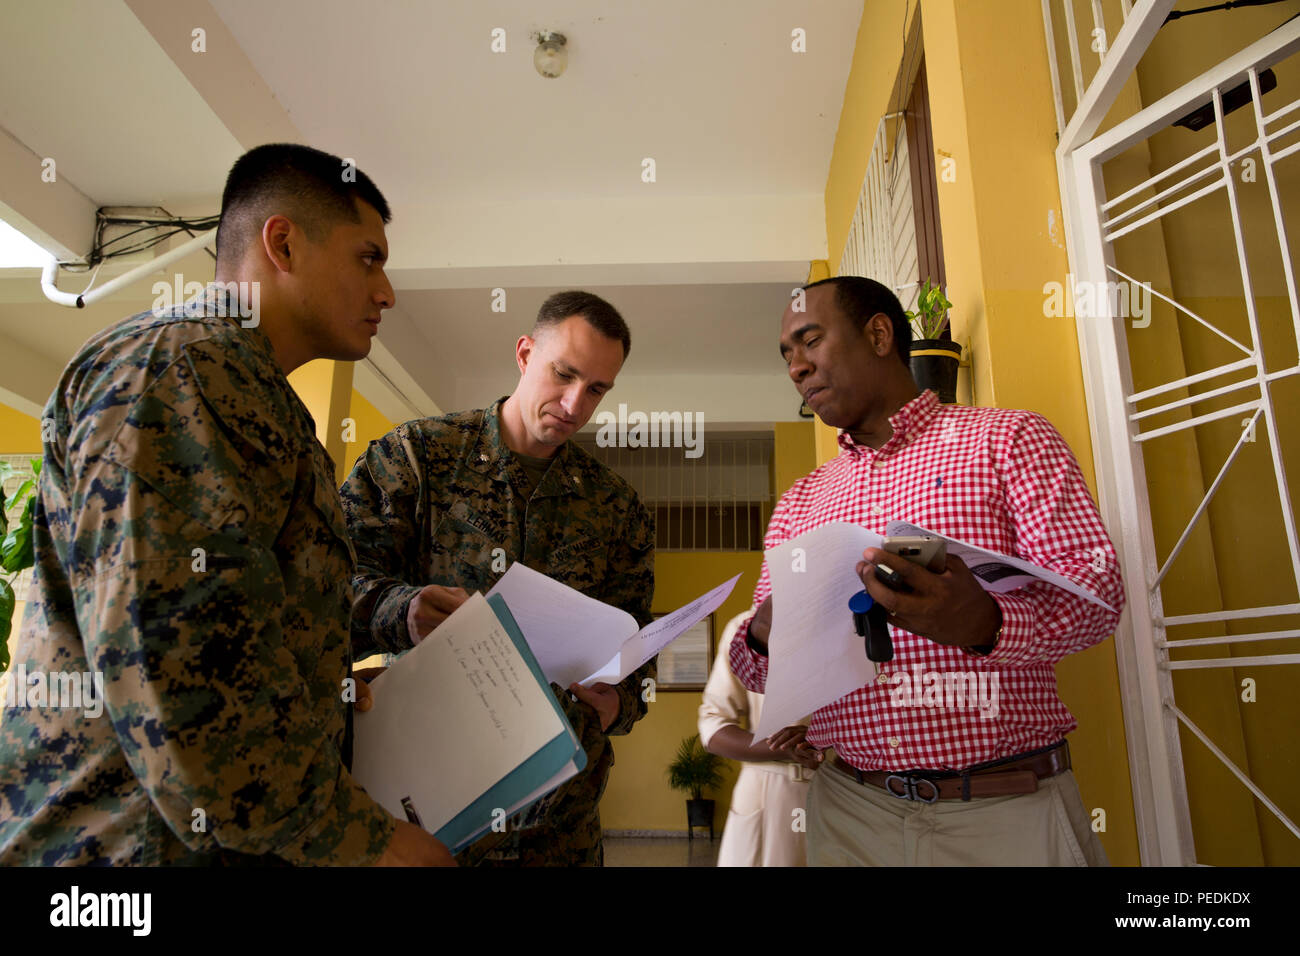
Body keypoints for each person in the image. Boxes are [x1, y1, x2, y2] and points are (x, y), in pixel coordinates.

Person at [0, 144, 453, 866]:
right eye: (369, 258)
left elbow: (231, 617)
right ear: (283, 243)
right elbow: (177, 664)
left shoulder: (250, 390)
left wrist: (317, 687)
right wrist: (361, 842)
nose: (387, 292)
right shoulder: (183, 369)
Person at [730, 276, 1125, 866]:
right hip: (848, 813)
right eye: (786, 356)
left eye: (809, 340)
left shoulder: (1008, 439)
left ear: (880, 333)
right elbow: (754, 674)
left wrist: (987, 622)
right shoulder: (801, 501)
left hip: (1004, 812)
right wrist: (765, 632)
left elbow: (1099, 595)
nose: (796, 367)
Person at [339, 290, 655, 867]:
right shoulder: (417, 458)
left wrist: (618, 705)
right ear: (524, 352)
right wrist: (401, 611)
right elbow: (323, 593)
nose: (574, 403)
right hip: (424, 816)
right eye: (564, 374)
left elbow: (637, 649)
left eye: (597, 390)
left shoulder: (617, 508)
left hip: (559, 832)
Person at [699, 610, 820, 867]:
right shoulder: (750, 627)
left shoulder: (866, 620)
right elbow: (713, 727)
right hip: (773, 792)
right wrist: (781, 748)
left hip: (853, 796)